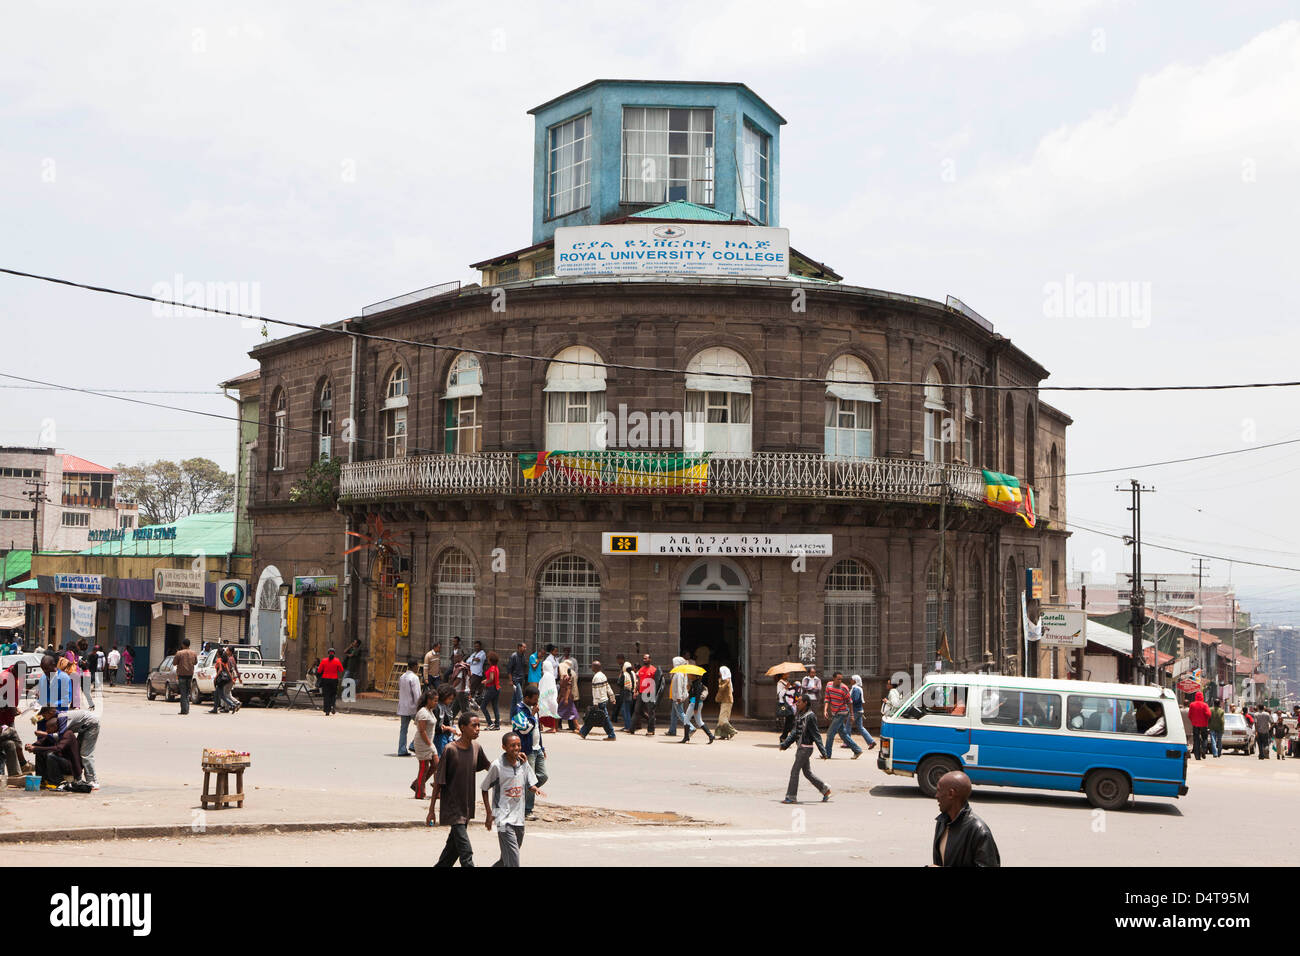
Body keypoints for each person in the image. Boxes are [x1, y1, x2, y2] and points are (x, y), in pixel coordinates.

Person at [429, 711, 490, 867]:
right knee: (466, 851)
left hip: (466, 806)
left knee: (452, 852)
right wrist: (431, 811)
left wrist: (513, 762)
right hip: (453, 808)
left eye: (479, 725)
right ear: (462, 727)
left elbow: (490, 767)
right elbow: (438, 782)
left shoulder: (477, 748)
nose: (477, 729)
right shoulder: (450, 750)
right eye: (474, 725)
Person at [481, 731, 544, 867]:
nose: (516, 748)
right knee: (513, 858)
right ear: (504, 747)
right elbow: (485, 788)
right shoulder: (497, 766)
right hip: (502, 819)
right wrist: (489, 814)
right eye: (512, 746)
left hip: (519, 818)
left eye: (518, 745)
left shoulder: (523, 763)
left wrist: (535, 789)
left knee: (506, 858)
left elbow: (529, 782)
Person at [932, 771, 1001, 867]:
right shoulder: (942, 822)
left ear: (951, 794)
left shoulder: (979, 831)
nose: (936, 796)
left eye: (939, 791)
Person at [780, 694, 830, 804]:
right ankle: (825, 789)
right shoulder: (800, 715)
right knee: (807, 773)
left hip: (805, 748)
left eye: (799, 702)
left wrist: (823, 751)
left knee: (794, 771)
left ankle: (791, 797)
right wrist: (785, 744)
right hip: (801, 747)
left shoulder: (810, 716)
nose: (797, 704)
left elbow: (816, 735)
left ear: (805, 703)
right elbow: (794, 732)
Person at [511, 685, 548, 819]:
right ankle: (527, 810)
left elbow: (537, 729)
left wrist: (542, 747)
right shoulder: (518, 710)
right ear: (527, 698)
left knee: (543, 776)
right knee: (531, 781)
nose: (536, 702)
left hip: (536, 748)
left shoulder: (533, 709)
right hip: (527, 750)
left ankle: (523, 792)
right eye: (534, 699)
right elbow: (524, 729)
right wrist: (532, 715)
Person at [26, 707, 81, 790]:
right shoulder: (52, 734)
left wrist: (36, 748)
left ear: (55, 727)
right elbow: (41, 742)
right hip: (60, 761)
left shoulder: (68, 734)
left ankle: (56, 781)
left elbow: (58, 749)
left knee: (50, 755)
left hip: (70, 766)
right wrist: (31, 746)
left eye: (48, 729)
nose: (47, 731)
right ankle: (42, 780)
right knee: (40, 752)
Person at [823, 672, 862, 759]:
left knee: (830, 733)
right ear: (833, 678)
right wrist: (825, 710)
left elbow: (850, 702)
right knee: (843, 734)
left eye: (841, 679)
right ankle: (857, 750)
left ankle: (826, 753)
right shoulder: (829, 685)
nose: (840, 681)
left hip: (842, 712)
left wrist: (852, 715)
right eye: (838, 679)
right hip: (834, 712)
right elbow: (827, 698)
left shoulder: (844, 688)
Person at [410, 688, 439, 800]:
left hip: (429, 742)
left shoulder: (430, 711)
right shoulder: (423, 712)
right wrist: (429, 744)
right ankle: (419, 793)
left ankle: (417, 784)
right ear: (428, 700)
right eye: (435, 701)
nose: (436, 703)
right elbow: (422, 731)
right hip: (423, 743)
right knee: (424, 767)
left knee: (436, 765)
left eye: (437, 701)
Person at [580, 660, 617, 740]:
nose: (591, 667)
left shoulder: (596, 677)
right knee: (594, 717)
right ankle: (583, 732)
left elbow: (596, 691)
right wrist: (612, 697)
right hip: (604, 700)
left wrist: (595, 703)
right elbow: (608, 687)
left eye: (592, 666)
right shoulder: (603, 675)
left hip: (600, 701)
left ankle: (612, 735)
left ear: (596, 667)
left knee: (600, 718)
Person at [627, 654, 659, 735]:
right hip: (641, 693)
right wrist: (635, 691)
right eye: (643, 658)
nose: (644, 660)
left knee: (651, 712)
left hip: (649, 693)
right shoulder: (641, 669)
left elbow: (657, 683)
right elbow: (639, 681)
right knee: (636, 711)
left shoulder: (654, 670)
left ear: (650, 659)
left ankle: (651, 730)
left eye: (646, 658)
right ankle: (631, 729)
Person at [681, 671, 715, 744]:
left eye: (690, 674)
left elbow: (697, 696)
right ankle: (710, 736)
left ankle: (686, 737)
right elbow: (692, 694)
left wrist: (695, 708)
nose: (689, 675)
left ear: (694, 676)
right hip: (696, 703)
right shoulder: (695, 683)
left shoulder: (698, 684)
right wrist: (689, 689)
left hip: (694, 704)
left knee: (686, 719)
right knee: (699, 721)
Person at [397, 660, 421, 755]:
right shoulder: (414, 678)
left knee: (403, 730)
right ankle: (413, 745)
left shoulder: (402, 677)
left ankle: (401, 749)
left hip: (403, 707)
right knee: (424, 726)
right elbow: (417, 693)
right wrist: (420, 706)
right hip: (413, 707)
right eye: (417, 666)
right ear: (414, 666)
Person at [849, 675, 877, 750]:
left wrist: (849, 701)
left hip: (855, 711)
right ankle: (871, 741)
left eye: (852, 679)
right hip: (859, 710)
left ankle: (847, 742)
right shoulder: (856, 688)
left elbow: (855, 699)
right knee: (860, 727)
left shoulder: (856, 689)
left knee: (848, 726)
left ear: (855, 681)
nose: (850, 681)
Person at [556, 654, 581, 732]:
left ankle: (556, 727)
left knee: (560, 712)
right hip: (564, 696)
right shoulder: (564, 676)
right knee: (571, 712)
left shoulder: (567, 677)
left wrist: (565, 698)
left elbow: (568, 688)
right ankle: (576, 727)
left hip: (566, 697)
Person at [537, 645, 559, 732]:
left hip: (546, 697)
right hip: (551, 697)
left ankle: (551, 728)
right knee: (551, 712)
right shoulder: (551, 676)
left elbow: (543, 688)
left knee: (543, 711)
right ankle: (552, 727)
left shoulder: (546, 676)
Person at [317, 648, 345, 716]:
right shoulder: (337, 661)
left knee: (326, 695)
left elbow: (319, 671)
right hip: (334, 680)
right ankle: (332, 705)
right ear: (334, 654)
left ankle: (327, 710)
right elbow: (341, 670)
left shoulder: (324, 661)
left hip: (325, 680)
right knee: (333, 694)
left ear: (328, 653)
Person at [173, 638, 197, 716]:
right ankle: (187, 709)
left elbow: (174, 663)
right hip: (190, 675)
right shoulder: (193, 653)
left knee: (183, 693)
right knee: (187, 692)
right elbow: (195, 662)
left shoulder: (179, 653)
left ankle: (184, 710)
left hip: (181, 675)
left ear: (183, 644)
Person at [666, 656, 689, 737]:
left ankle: (691, 727)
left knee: (681, 714)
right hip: (675, 697)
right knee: (674, 715)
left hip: (677, 697)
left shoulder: (679, 673)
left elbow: (679, 686)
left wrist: (679, 697)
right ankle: (672, 730)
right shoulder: (677, 672)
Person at [715, 666, 738, 740]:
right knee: (724, 718)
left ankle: (732, 731)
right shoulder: (723, 680)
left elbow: (721, 688)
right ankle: (724, 735)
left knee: (722, 719)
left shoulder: (726, 680)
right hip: (724, 701)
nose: (719, 673)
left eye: (720, 672)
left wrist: (719, 682)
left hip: (727, 701)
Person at [434, 685, 458, 756]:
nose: (451, 701)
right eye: (449, 699)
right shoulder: (437, 708)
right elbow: (436, 726)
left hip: (446, 736)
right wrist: (447, 728)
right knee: (441, 759)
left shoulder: (446, 707)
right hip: (439, 737)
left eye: (452, 699)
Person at [616, 654, 636, 732]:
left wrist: (620, 674)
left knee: (625, 710)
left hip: (625, 694)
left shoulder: (624, 674)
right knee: (627, 710)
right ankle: (628, 726)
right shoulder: (633, 674)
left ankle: (628, 726)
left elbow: (619, 683)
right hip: (630, 693)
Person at [482, 652, 502, 730]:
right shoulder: (496, 667)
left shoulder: (492, 668)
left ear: (491, 660)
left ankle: (490, 723)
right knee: (495, 707)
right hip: (496, 688)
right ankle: (497, 724)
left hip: (492, 688)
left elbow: (491, 679)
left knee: (483, 706)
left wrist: (485, 681)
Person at [1188, 691, 1210, 760]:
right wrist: (1206, 719)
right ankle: (1203, 749)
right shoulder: (1205, 705)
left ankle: (1197, 756)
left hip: (1195, 724)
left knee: (1196, 740)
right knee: (1205, 738)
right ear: (1202, 697)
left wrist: (1193, 720)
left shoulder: (1192, 704)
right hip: (1204, 724)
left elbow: (1189, 715)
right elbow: (1208, 714)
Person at [508, 642, 529, 706]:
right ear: (519, 647)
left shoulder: (523, 656)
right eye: (524, 647)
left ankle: (512, 714)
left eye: (526, 647)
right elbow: (509, 669)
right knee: (520, 697)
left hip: (521, 679)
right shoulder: (513, 656)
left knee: (515, 698)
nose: (525, 649)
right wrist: (511, 680)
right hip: (515, 679)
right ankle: (520, 712)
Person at [468, 640, 488, 706]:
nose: (476, 647)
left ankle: (471, 703)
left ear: (480, 646)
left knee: (472, 688)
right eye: (475, 646)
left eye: (477, 646)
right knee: (470, 687)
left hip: (477, 673)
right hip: (471, 672)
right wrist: (473, 659)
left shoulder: (482, 653)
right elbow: (468, 661)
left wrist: (472, 660)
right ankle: (470, 701)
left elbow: (478, 660)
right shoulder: (474, 654)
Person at [776, 674, 795, 738]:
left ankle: (784, 736)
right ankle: (786, 736)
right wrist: (786, 688)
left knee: (789, 721)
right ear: (782, 675)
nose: (788, 674)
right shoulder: (780, 683)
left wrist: (793, 688)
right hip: (784, 704)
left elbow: (790, 693)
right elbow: (780, 695)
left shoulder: (787, 682)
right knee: (790, 719)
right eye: (786, 673)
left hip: (790, 703)